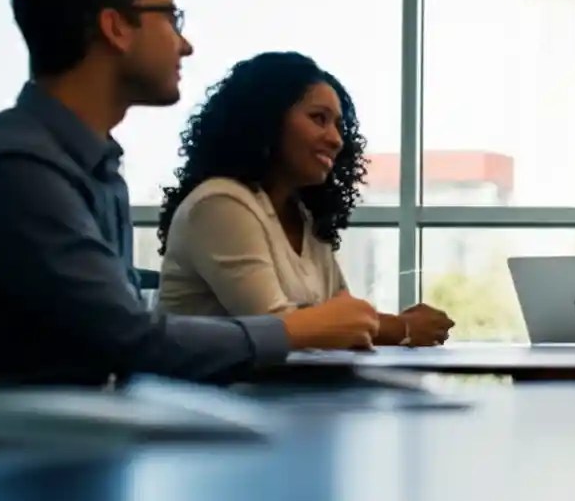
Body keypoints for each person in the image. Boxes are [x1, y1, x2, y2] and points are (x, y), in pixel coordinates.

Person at [0, 0, 380, 386]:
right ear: (115, 28)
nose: (185, 44)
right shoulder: (17, 170)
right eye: (170, 19)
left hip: (63, 413)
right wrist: (294, 329)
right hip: (6, 425)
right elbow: (130, 340)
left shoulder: (92, 169)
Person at [157, 52, 453, 346]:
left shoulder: (304, 216)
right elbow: (277, 328)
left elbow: (343, 318)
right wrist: (402, 327)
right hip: (213, 379)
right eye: (318, 118)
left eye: (338, 126)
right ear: (266, 120)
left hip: (280, 378)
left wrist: (380, 324)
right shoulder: (219, 204)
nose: (336, 139)